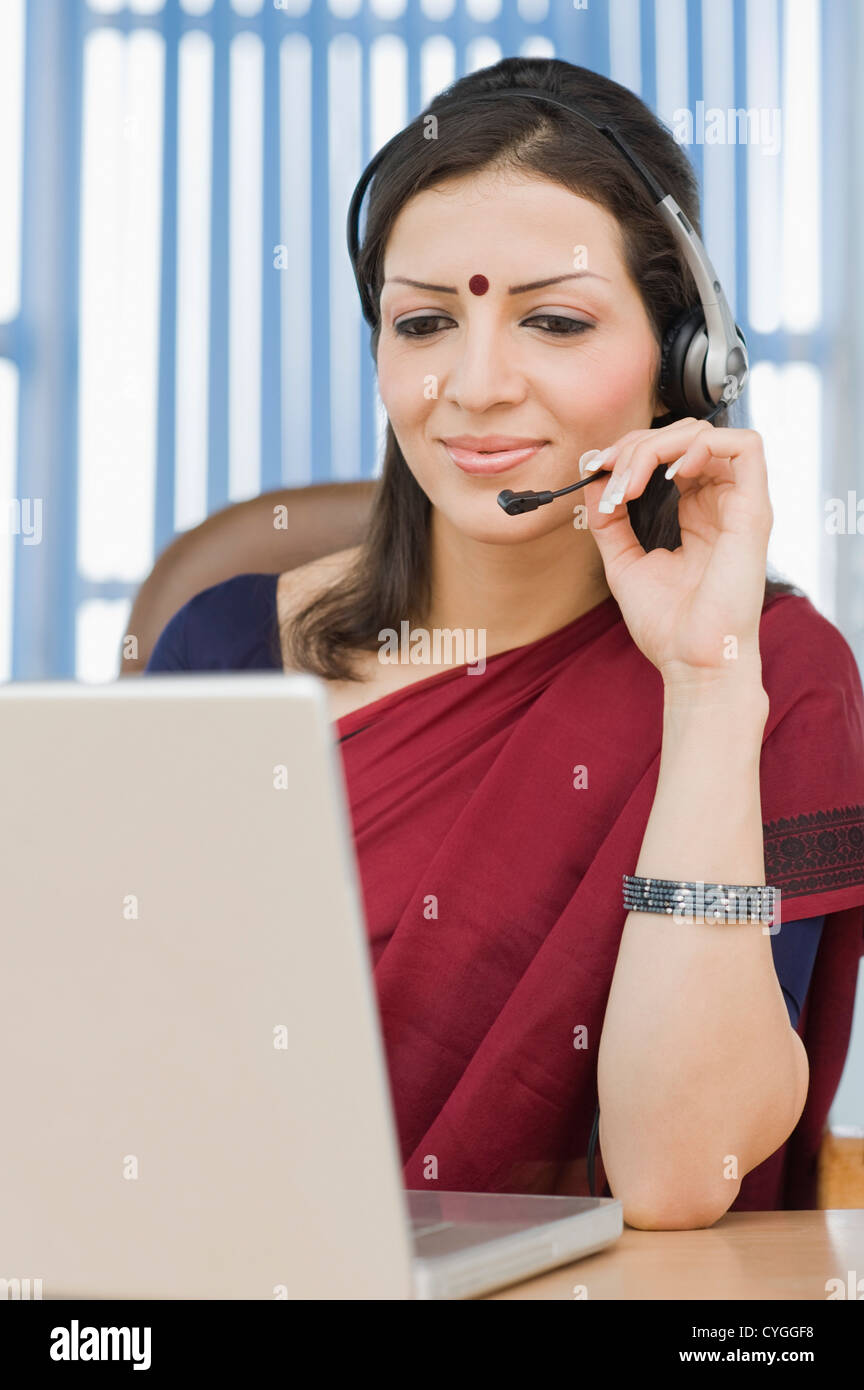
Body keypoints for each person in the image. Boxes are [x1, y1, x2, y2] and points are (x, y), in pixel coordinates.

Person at [145, 57, 864, 1229]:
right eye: (424, 320)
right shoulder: (226, 646)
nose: (475, 385)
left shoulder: (775, 679)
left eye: (556, 320)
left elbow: (682, 1173)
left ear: (684, 356)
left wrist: (705, 687)